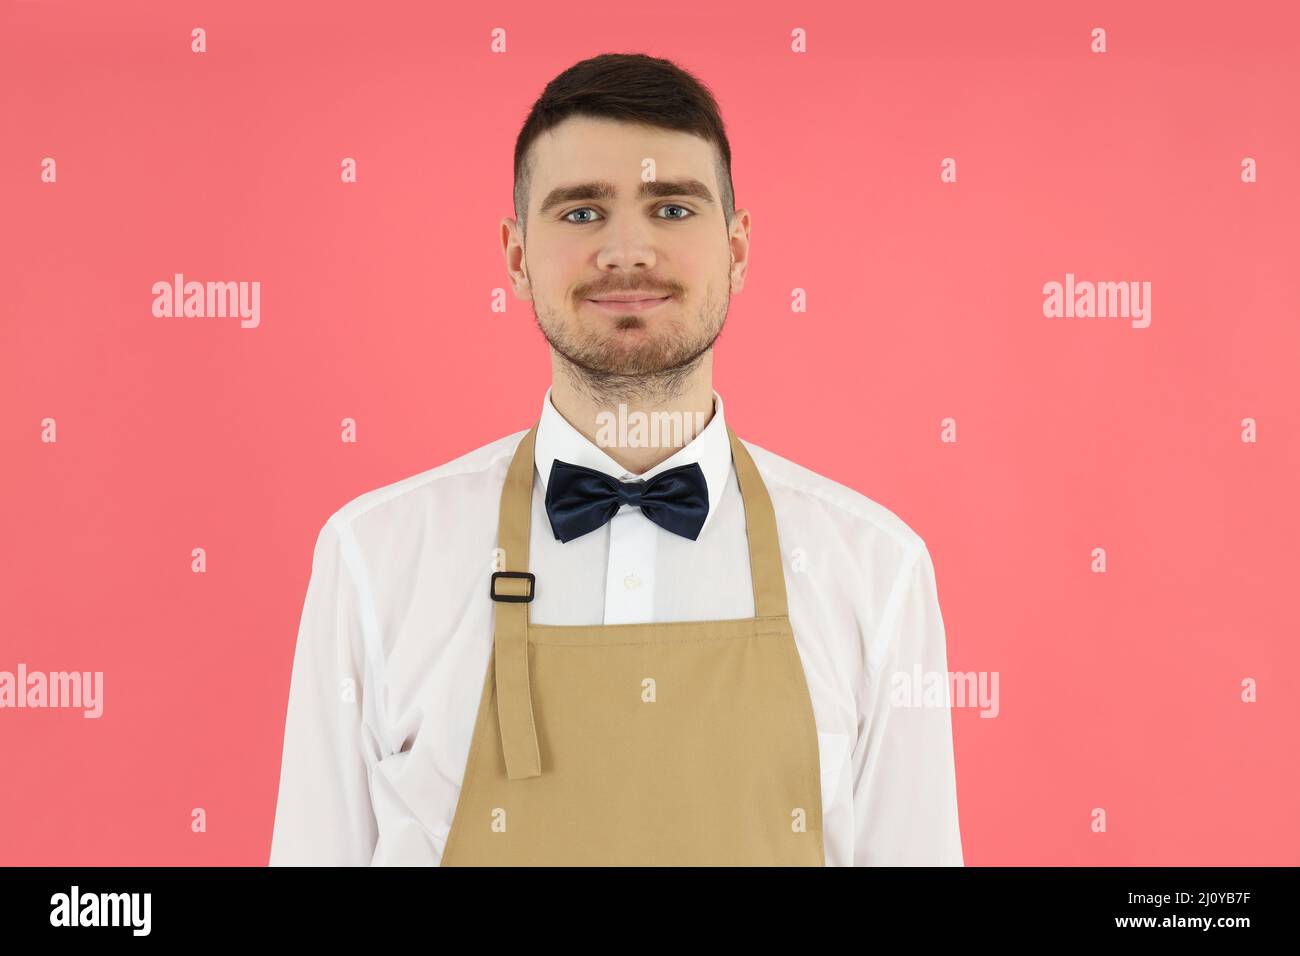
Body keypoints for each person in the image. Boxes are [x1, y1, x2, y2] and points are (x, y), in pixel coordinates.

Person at [269, 52, 963, 866]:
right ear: (516, 257)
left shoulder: (878, 570)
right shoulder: (373, 558)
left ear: (738, 250)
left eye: (672, 209)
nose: (627, 251)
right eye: (580, 213)